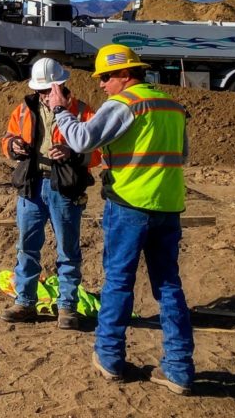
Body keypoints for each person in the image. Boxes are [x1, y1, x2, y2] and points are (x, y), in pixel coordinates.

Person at [48, 44, 194, 395]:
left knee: (118, 282)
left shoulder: (124, 104)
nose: (101, 84)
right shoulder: (172, 106)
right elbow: (182, 154)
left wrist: (60, 111)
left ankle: (110, 358)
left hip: (129, 205)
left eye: (106, 77)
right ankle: (179, 370)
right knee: (169, 286)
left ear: (125, 74)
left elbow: (82, 139)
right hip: (168, 207)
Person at [0, 58, 99, 330]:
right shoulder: (24, 110)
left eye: (48, 89)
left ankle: (67, 306)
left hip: (64, 186)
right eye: (40, 90)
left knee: (67, 249)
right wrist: (14, 146)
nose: (44, 95)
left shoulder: (81, 111)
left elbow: (97, 152)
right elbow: (7, 139)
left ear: (60, 85)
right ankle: (25, 301)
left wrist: (72, 152)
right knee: (27, 246)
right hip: (32, 183)